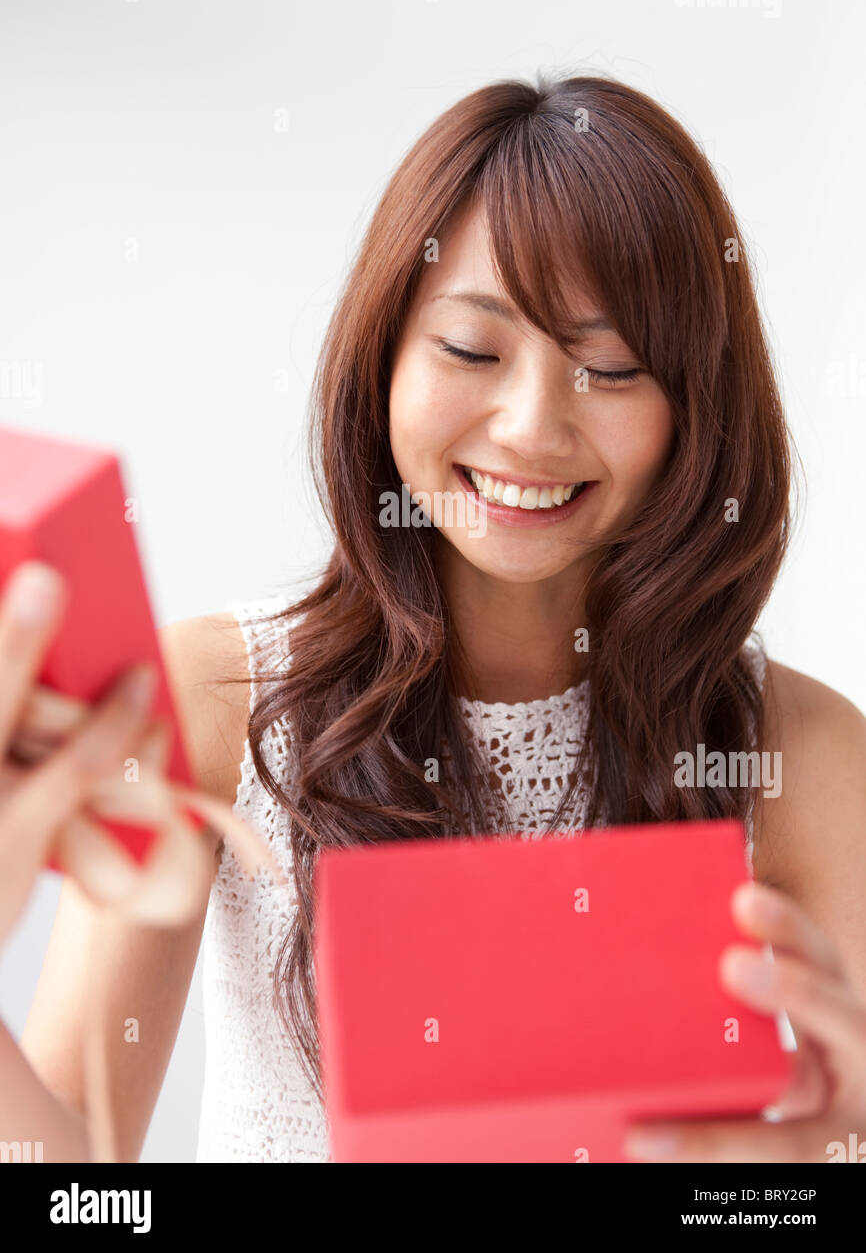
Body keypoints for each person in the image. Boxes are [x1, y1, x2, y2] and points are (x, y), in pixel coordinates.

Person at [2, 74, 865, 1164]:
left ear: (694, 409)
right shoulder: (214, 700)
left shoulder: (800, 753)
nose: (530, 426)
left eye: (608, 368)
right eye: (471, 350)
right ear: (385, 357)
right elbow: (65, 1181)